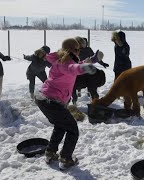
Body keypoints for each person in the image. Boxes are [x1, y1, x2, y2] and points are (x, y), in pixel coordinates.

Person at [35, 38, 100, 170]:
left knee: (60, 125)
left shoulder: (60, 58)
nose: (79, 51)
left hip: (44, 99)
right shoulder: (65, 63)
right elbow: (73, 68)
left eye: (79, 49)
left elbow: (76, 64)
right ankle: (65, 158)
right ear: (71, 50)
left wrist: (92, 60)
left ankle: (50, 152)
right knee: (72, 130)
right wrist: (84, 68)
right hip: (51, 101)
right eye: (77, 49)